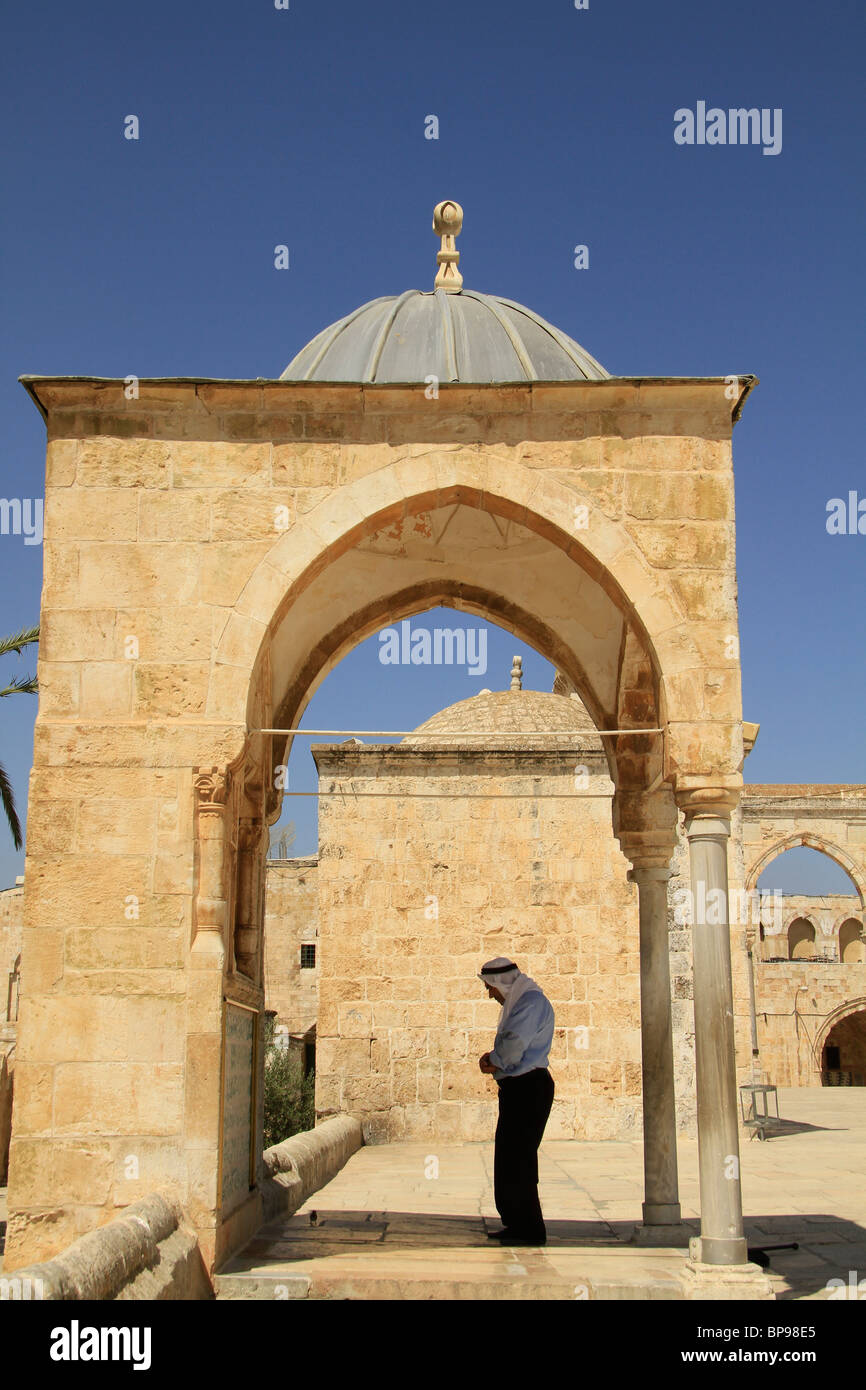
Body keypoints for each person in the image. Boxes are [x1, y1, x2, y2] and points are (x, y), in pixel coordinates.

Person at [477, 956, 555, 1246]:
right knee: (510, 1158)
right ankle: (516, 1223)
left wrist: (493, 1061)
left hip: (528, 1088)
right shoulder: (522, 1001)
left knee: (519, 1159)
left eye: (490, 987)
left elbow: (513, 1046)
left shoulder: (530, 1003)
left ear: (501, 983)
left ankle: (530, 1228)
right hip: (519, 1088)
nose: (490, 993)